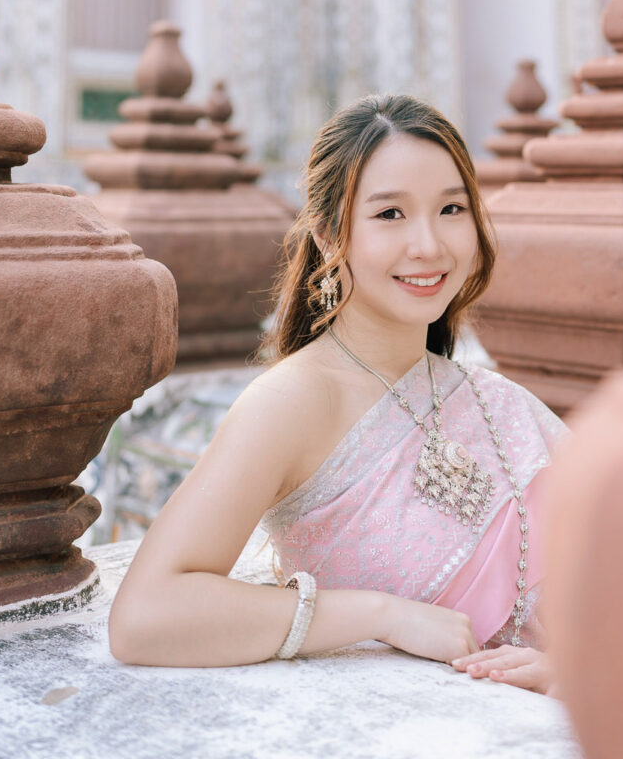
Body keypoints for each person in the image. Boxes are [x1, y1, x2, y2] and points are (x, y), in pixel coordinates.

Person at [108, 93, 568, 691]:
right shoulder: (294, 403)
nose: (429, 244)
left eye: (451, 208)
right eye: (390, 215)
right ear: (329, 235)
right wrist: (380, 615)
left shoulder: (495, 400)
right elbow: (145, 617)